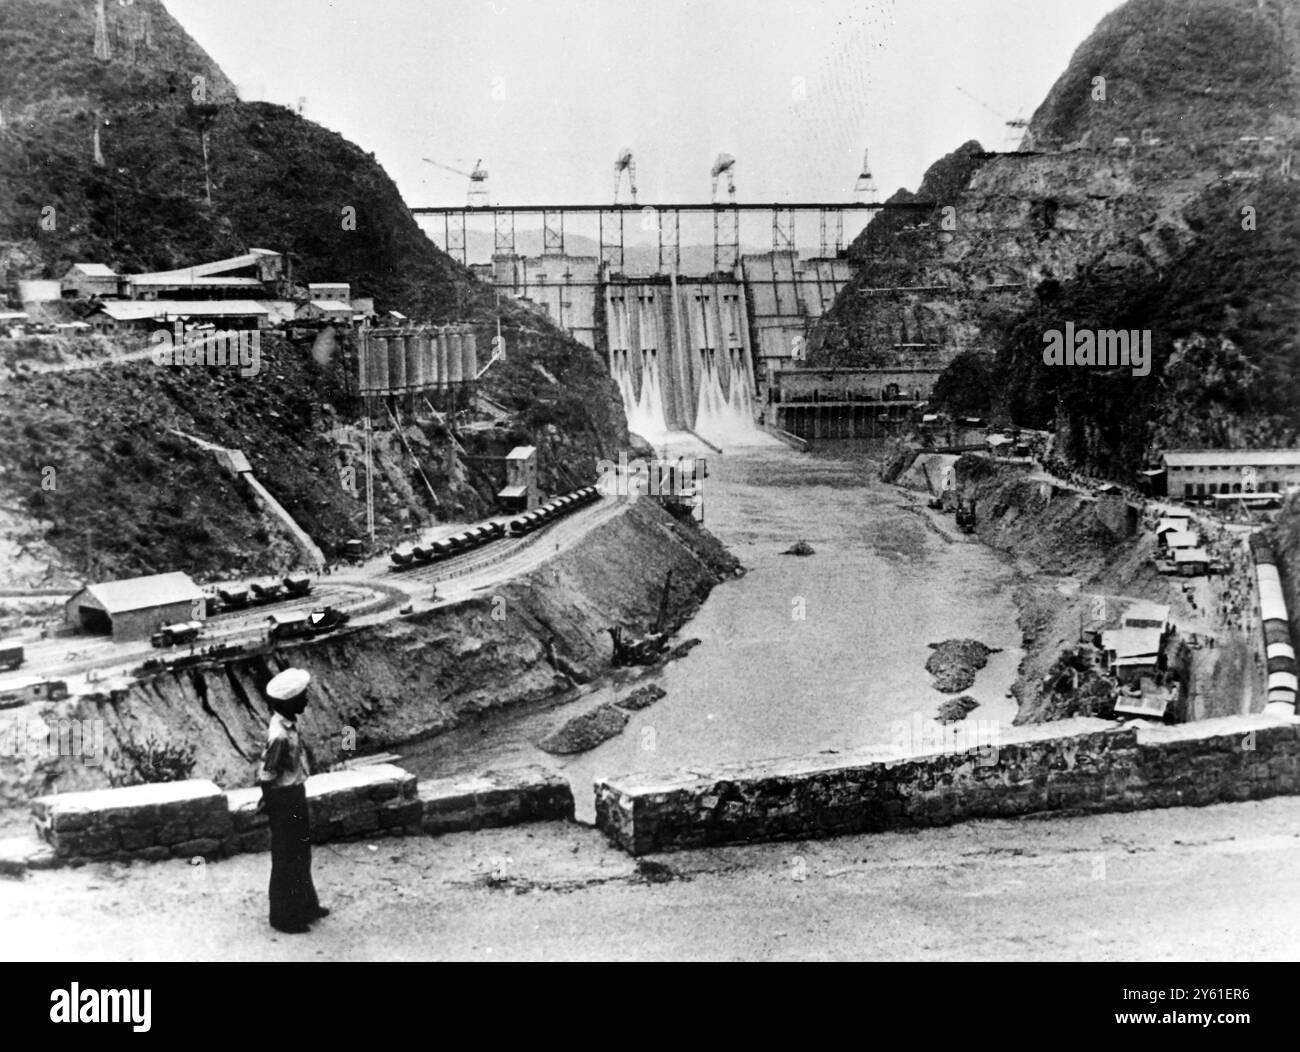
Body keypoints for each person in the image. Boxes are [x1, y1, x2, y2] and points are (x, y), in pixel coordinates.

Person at [258, 667, 328, 934]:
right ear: (289, 702)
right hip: (284, 799)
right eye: (302, 696)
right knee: (287, 857)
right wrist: (270, 804)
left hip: (293, 793)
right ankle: (283, 916)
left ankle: (307, 906)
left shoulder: (288, 724)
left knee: (301, 853)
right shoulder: (279, 735)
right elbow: (267, 773)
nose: (307, 700)